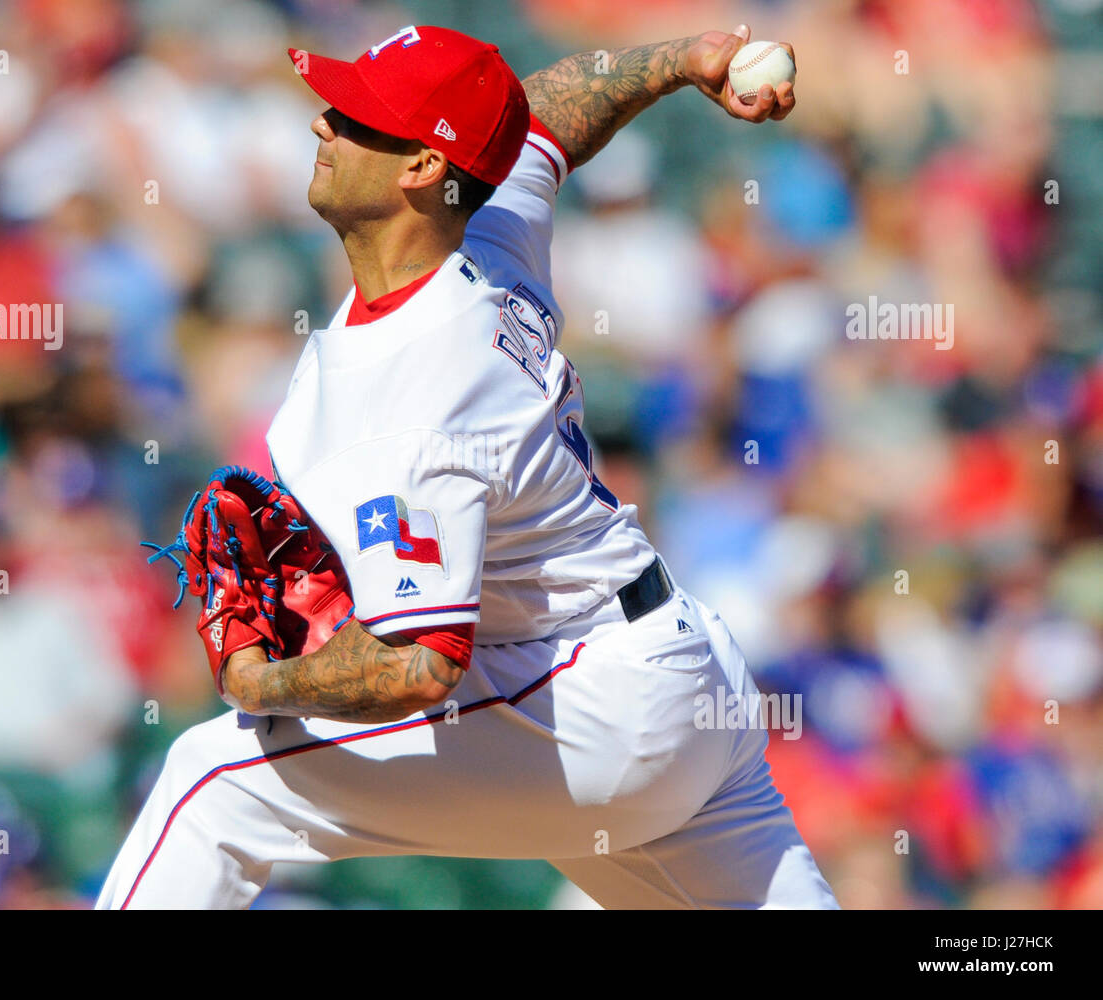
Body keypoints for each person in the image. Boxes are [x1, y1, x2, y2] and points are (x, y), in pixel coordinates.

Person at [97, 22, 836, 910]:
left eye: (354, 117)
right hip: (671, 676)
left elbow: (418, 666)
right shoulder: (484, 233)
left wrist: (265, 682)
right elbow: (550, 118)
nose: (321, 126)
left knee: (207, 783)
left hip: (592, 708)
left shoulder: (416, 394)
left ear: (418, 168)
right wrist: (680, 62)